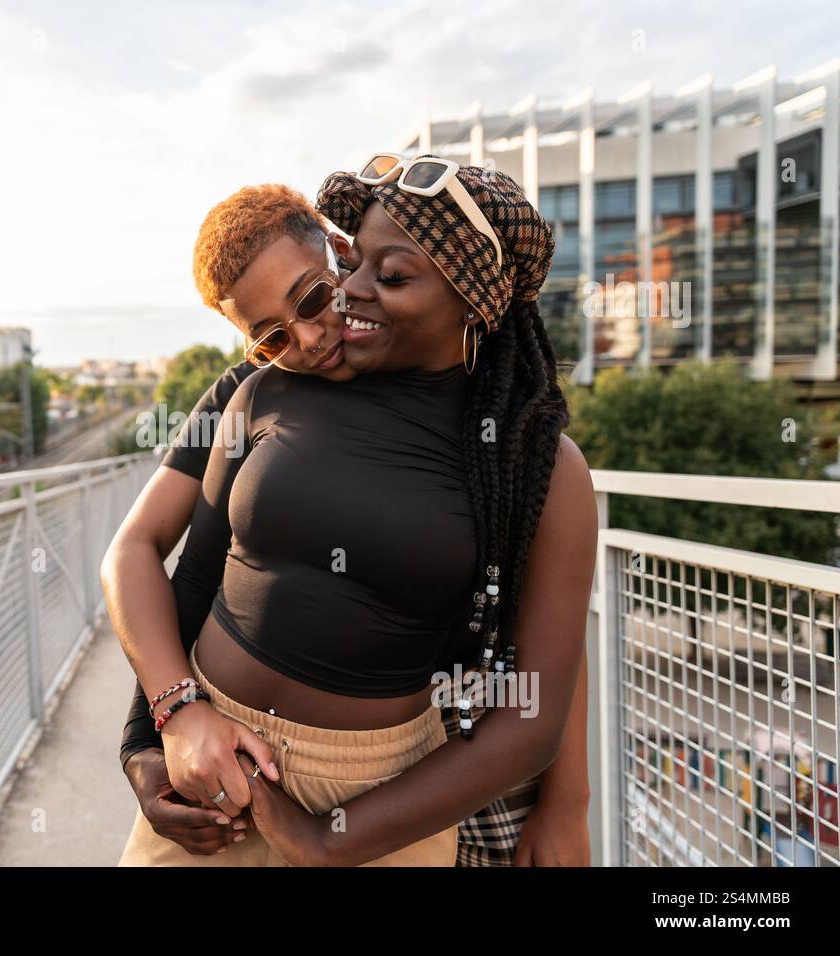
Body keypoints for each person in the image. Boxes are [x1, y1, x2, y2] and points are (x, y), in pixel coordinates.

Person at [107, 162, 595, 865]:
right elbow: (191, 580)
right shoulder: (258, 391)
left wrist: (567, 800)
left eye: (380, 277)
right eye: (271, 335)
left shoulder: (522, 455)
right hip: (215, 765)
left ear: (472, 299)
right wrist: (153, 738)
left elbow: (538, 668)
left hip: (379, 797)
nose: (338, 309)